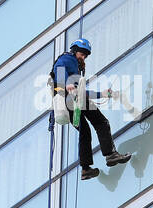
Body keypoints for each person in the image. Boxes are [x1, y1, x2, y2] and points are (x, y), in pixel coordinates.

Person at [51, 38, 133, 179]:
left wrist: (103, 94)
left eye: (85, 55)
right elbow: (59, 69)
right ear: (75, 51)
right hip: (71, 100)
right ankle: (110, 155)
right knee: (100, 122)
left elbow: (82, 92)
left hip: (72, 101)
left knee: (85, 131)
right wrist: (67, 84)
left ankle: (86, 169)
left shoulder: (76, 68)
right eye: (81, 54)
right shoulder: (68, 58)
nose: (83, 57)